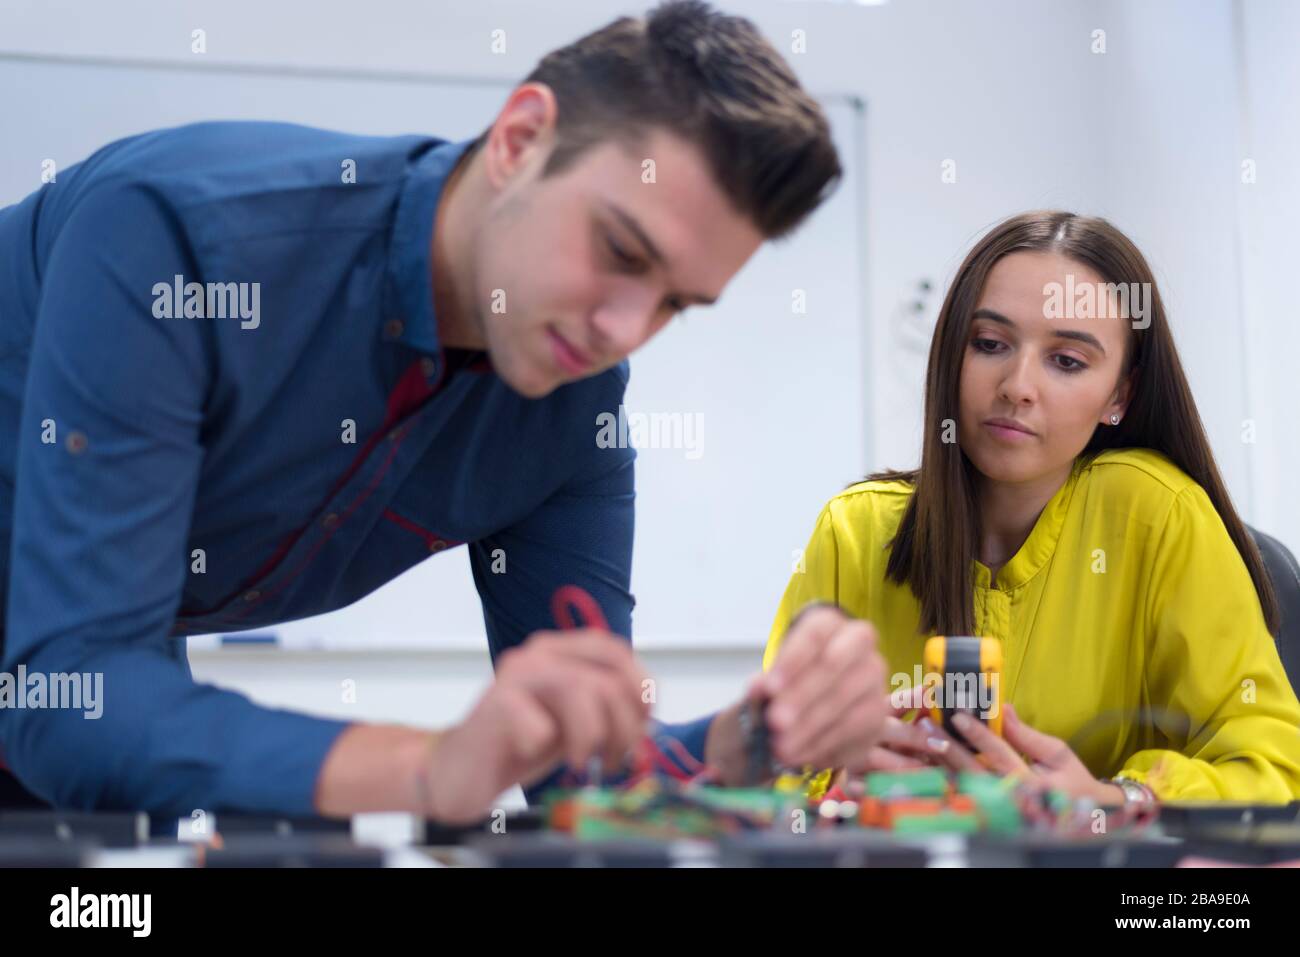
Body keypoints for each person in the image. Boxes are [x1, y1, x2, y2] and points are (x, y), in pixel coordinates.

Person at [0, 1, 888, 820]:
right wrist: (430, 765)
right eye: (619, 248)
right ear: (521, 137)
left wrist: (752, 738)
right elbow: (71, 691)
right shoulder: (184, 236)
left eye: (675, 304)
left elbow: (578, 778)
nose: (626, 329)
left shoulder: (568, 410)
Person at [764, 211, 1300, 804]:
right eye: (990, 344)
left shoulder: (1159, 514)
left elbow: (1271, 762)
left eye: (1066, 361)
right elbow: (772, 764)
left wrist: (1117, 800)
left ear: (1119, 394)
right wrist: (836, 781)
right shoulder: (854, 530)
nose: (1017, 386)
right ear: (950, 355)